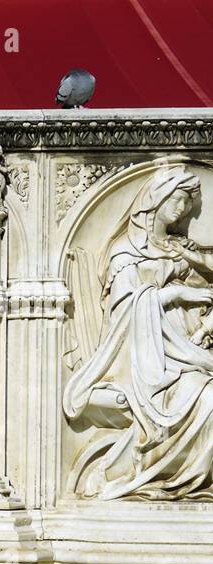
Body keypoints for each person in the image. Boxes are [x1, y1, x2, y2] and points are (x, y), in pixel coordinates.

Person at [64, 167, 213, 499]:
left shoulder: (182, 247)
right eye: (177, 200)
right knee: (207, 397)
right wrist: (176, 294)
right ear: (155, 200)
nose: (182, 209)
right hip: (143, 359)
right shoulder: (124, 252)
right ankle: (148, 472)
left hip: (184, 347)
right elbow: (125, 315)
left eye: (188, 204)